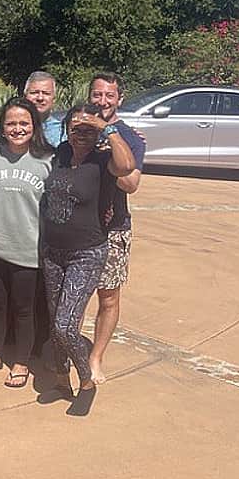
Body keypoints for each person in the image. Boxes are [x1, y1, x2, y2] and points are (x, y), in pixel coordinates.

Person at [39, 103, 135, 417]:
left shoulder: (104, 159)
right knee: (56, 326)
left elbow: (127, 166)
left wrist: (103, 126)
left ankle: (86, 379)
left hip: (86, 253)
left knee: (67, 325)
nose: (81, 135)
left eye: (87, 130)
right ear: (66, 129)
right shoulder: (61, 154)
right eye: (75, 128)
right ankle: (60, 379)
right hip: (53, 252)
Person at [0, 97, 55, 388]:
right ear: (2, 126)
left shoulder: (47, 159)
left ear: (34, 125)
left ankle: (21, 362)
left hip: (28, 250)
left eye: (24, 123)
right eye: (11, 123)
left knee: (23, 308)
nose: (17, 128)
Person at [87, 72, 146, 384]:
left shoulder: (130, 137)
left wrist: (111, 149)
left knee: (108, 297)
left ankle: (96, 356)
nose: (103, 101)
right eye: (97, 95)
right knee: (70, 296)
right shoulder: (76, 130)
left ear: (119, 99)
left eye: (109, 96)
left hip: (113, 228)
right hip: (78, 228)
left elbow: (132, 183)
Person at [0, 71, 64, 148]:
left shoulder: (61, 132)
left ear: (54, 99)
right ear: (25, 96)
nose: (40, 98)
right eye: (34, 93)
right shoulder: (8, 128)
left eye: (46, 93)